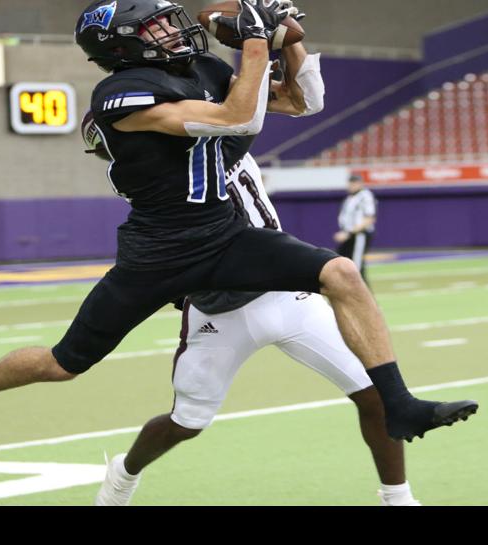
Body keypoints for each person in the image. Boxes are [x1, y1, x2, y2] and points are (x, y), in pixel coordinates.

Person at [0, 0, 475, 454]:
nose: (172, 31)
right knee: (64, 363)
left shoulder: (198, 68)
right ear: (123, 46)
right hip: (159, 250)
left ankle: (398, 401)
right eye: (156, 27)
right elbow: (236, 116)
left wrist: (288, 40)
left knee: (341, 272)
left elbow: (299, 102)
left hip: (224, 235)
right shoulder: (118, 94)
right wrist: (255, 41)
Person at [82, 54, 425, 506]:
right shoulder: (149, 180)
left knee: (375, 393)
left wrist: (281, 43)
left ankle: (398, 499)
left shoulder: (211, 137)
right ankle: (124, 474)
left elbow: (294, 103)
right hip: (218, 309)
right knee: (186, 421)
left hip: (286, 293)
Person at [334, 172, 376, 282]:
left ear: (360, 183)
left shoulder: (365, 196)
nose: (351, 185)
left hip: (358, 235)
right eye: (350, 182)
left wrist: (349, 232)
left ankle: (365, 298)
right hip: (349, 235)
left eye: (354, 182)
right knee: (340, 263)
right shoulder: (350, 198)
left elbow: (369, 218)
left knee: (356, 269)